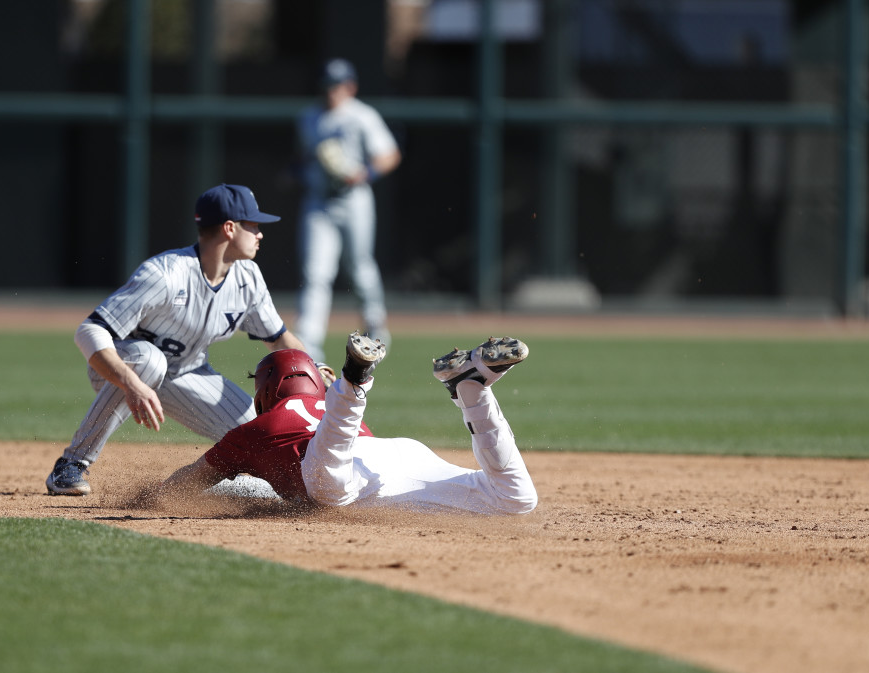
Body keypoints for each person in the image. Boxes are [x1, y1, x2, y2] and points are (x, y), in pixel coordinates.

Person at [46, 183, 323, 496]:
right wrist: (131, 383)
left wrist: (314, 369)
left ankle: (287, 491)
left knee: (255, 432)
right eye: (254, 225)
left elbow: (279, 339)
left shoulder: (248, 278)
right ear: (230, 228)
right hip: (122, 367)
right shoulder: (165, 274)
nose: (260, 234)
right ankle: (71, 465)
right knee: (150, 362)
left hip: (189, 373)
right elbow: (90, 331)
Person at [157, 332, 538, 516]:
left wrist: (148, 497)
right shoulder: (320, 406)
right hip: (392, 453)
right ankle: (470, 386)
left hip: (337, 470)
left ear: (266, 390)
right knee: (516, 500)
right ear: (314, 378)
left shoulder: (255, 429)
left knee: (330, 486)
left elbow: (188, 482)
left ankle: (356, 379)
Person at [294, 58, 401, 366]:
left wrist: (365, 172)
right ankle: (310, 343)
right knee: (315, 272)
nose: (332, 91)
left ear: (350, 86)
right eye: (328, 85)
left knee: (360, 266)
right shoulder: (309, 117)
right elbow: (303, 157)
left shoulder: (362, 115)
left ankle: (375, 326)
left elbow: (390, 154)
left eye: (338, 85)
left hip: (354, 198)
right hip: (319, 200)